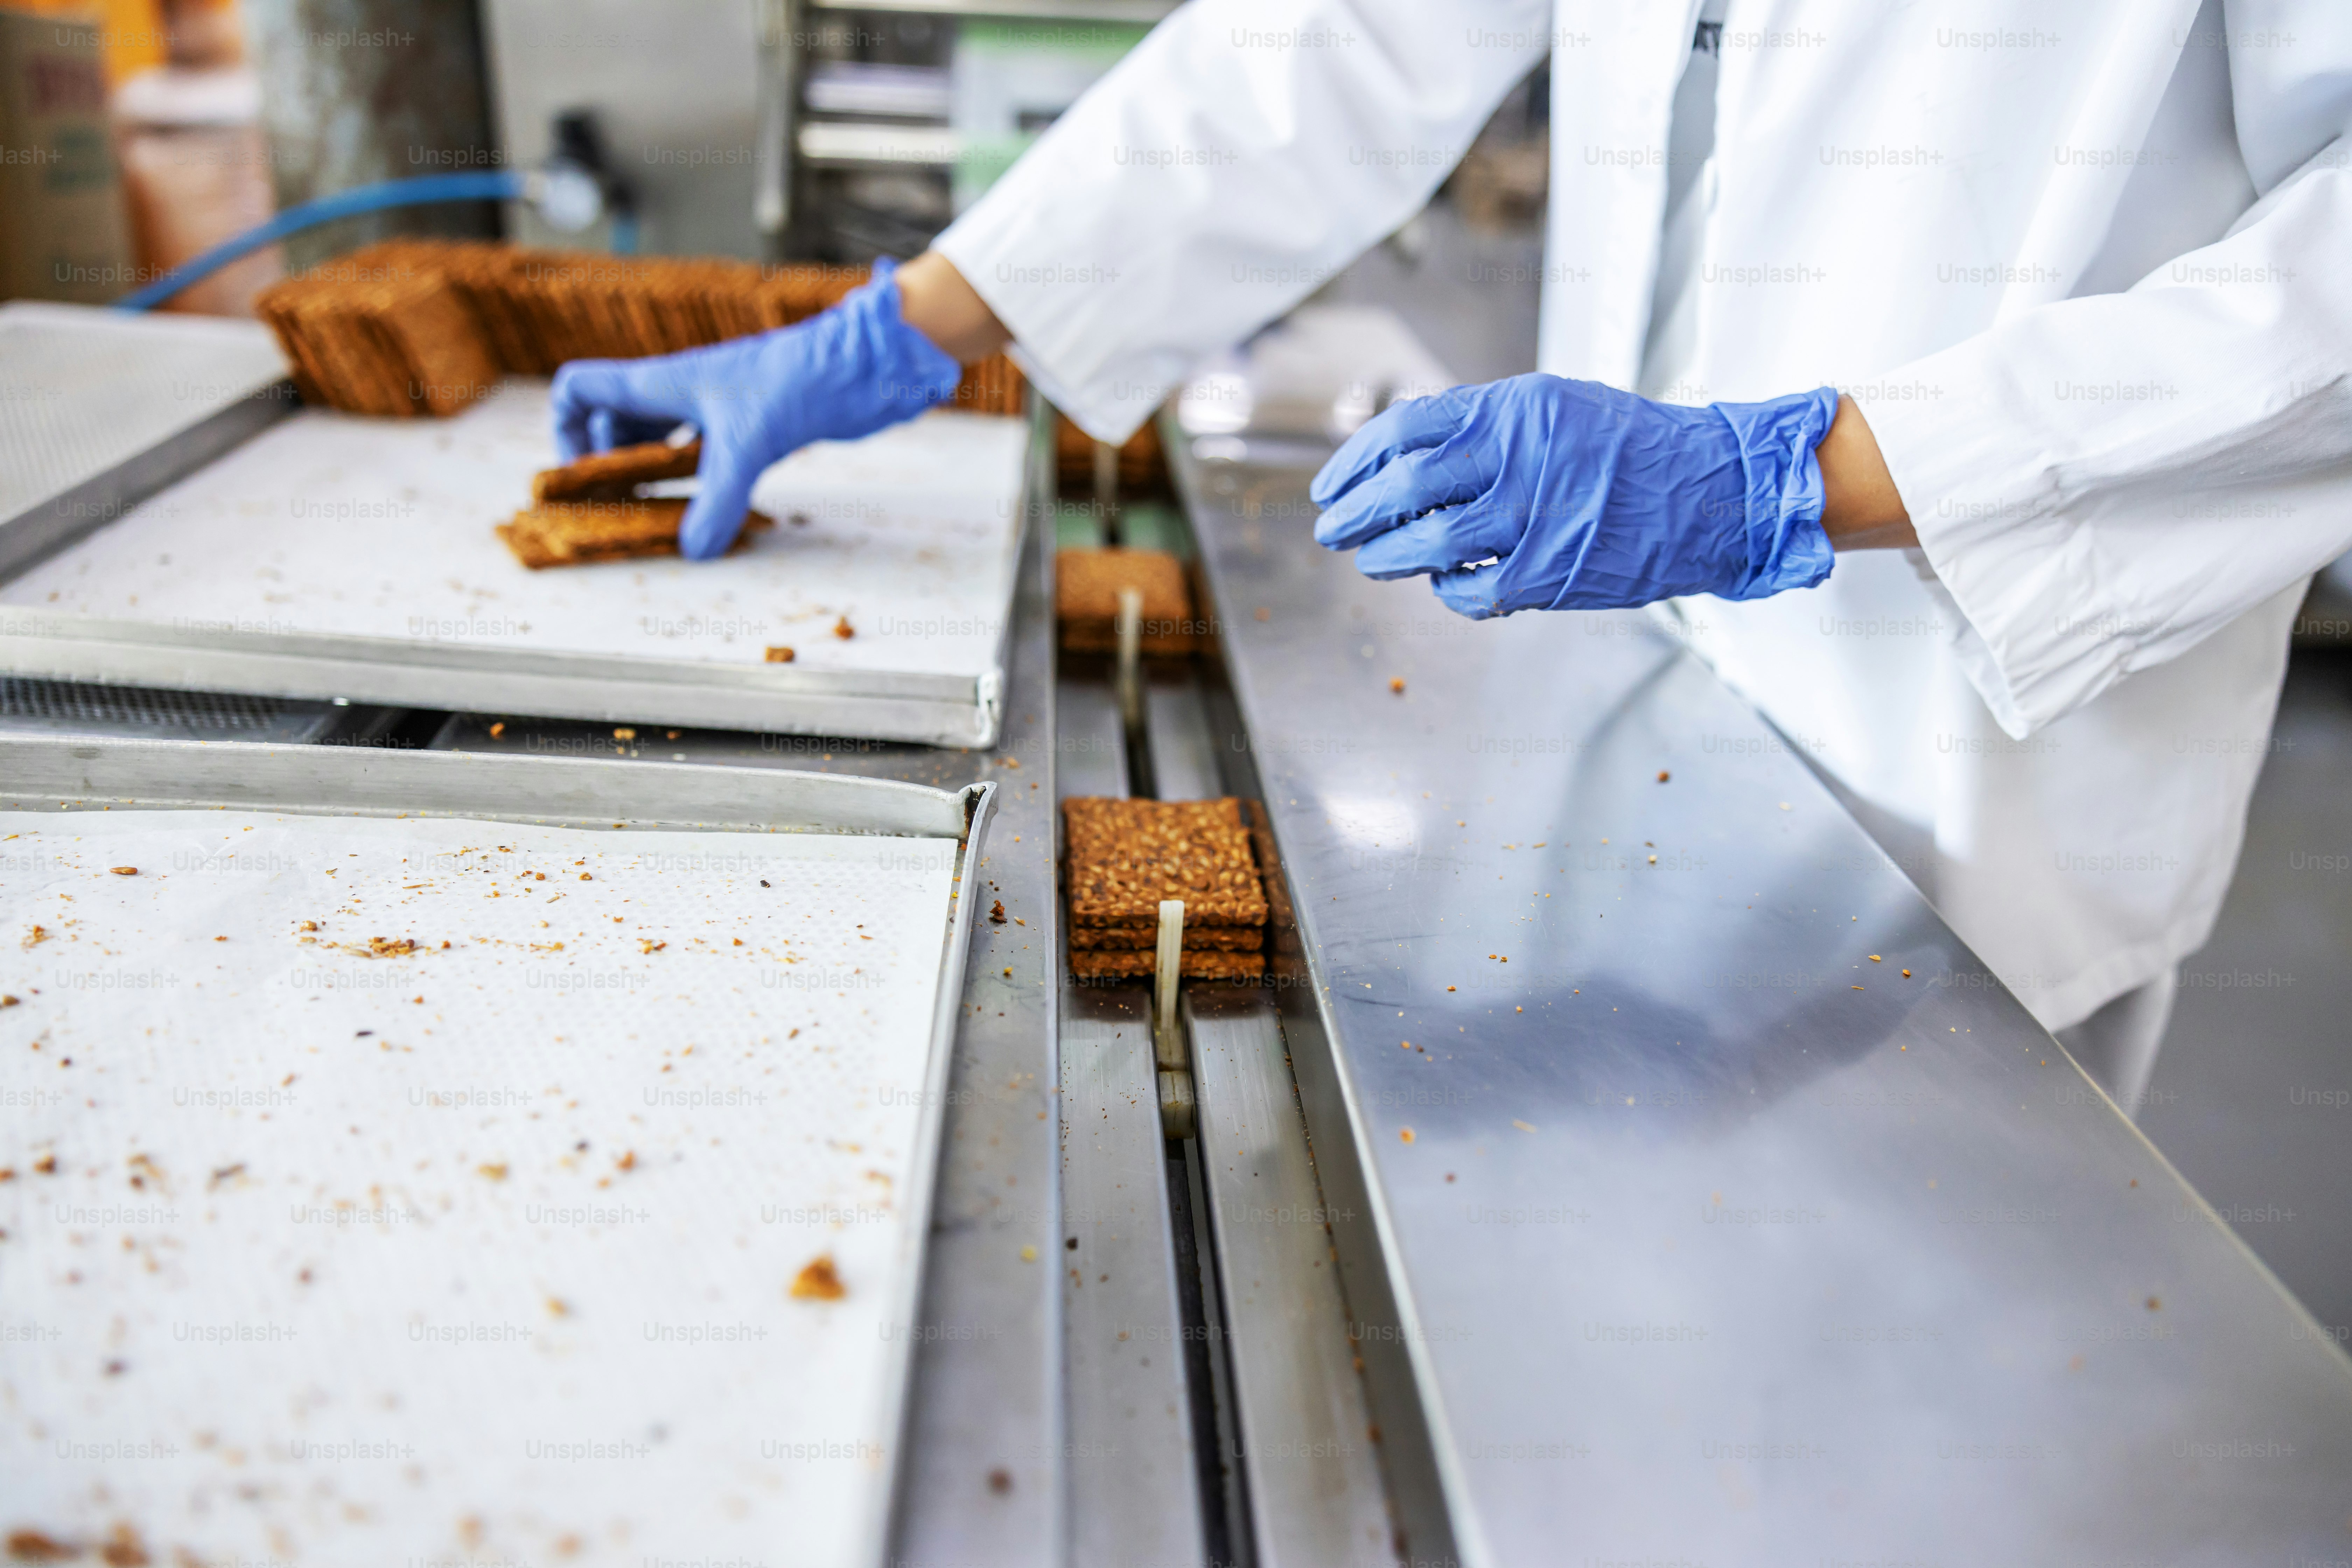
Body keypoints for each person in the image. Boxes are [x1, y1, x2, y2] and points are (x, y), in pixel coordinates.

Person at [552, 0, 2352, 1118]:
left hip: (1977, 743)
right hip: (1615, 683)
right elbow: (1335, 37)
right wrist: (911, 324)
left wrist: (1816, 473)